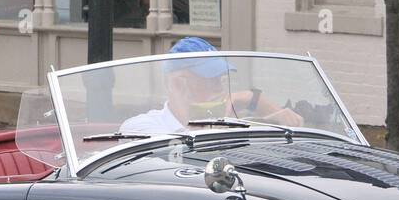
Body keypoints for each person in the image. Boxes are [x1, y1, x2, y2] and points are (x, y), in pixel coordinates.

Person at [118, 36, 304, 135]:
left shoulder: (229, 123)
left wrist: (251, 98)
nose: (219, 88)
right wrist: (188, 110)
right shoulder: (142, 127)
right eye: (209, 79)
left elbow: (289, 125)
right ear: (176, 84)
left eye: (220, 79)